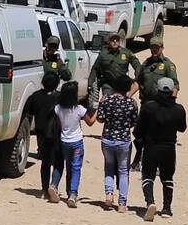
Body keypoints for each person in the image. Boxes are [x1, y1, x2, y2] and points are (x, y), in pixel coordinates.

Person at [134, 77, 187, 221]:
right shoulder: (179, 109)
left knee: (148, 176)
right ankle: (167, 209)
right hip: (169, 148)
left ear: (157, 90)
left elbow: (137, 131)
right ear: (172, 91)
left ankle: (150, 202)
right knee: (167, 178)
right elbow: (182, 128)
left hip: (151, 147)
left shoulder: (149, 107)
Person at [134, 36, 179, 171]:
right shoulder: (146, 64)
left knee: (159, 136)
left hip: (160, 106)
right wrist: (128, 96)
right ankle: (138, 160)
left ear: (162, 48)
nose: (154, 49)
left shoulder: (167, 65)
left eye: (157, 47)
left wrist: (171, 104)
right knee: (140, 134)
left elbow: (175, 86)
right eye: (152, 47)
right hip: (146, 104)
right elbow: (138, 81)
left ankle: (160, 165)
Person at [96, 75, 139, 213]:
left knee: (109, 167)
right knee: (123, 171)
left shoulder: (106, 100)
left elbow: (100, 119)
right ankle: (122, 203)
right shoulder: (131, 103)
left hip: (108, 139)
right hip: (123, 140)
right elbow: (134, 122)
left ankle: (109, 193)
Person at [51, 80, 97, 208]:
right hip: (76, 142)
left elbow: (59, 124)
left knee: (62, 165)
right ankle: (72, 194)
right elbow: (90, 122)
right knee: (75, 168)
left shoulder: (58, 108)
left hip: (64, 141)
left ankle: (53, 186)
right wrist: (97, 111)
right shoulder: (79, 109)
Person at [24, 70, 63, 203]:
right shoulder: (60, 97)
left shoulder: (35, 96)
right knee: (58, 161)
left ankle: (44, 189)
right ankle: (54, 185)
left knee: (45, 163)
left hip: (41, 133)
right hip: (57, 133)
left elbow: (29, 111)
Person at [91, 32, 140, 108]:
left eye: (117, 40)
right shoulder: (103, 54)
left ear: (119, 41)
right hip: (108, 85)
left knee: (123, 106)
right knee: (107, 103)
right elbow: (95, 68)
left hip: (123, 85)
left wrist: (137, 77)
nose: (115, 41)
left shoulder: (126, 52)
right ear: (108, 41)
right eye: (112, 40)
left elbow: (137, 65)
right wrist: (90, 83)